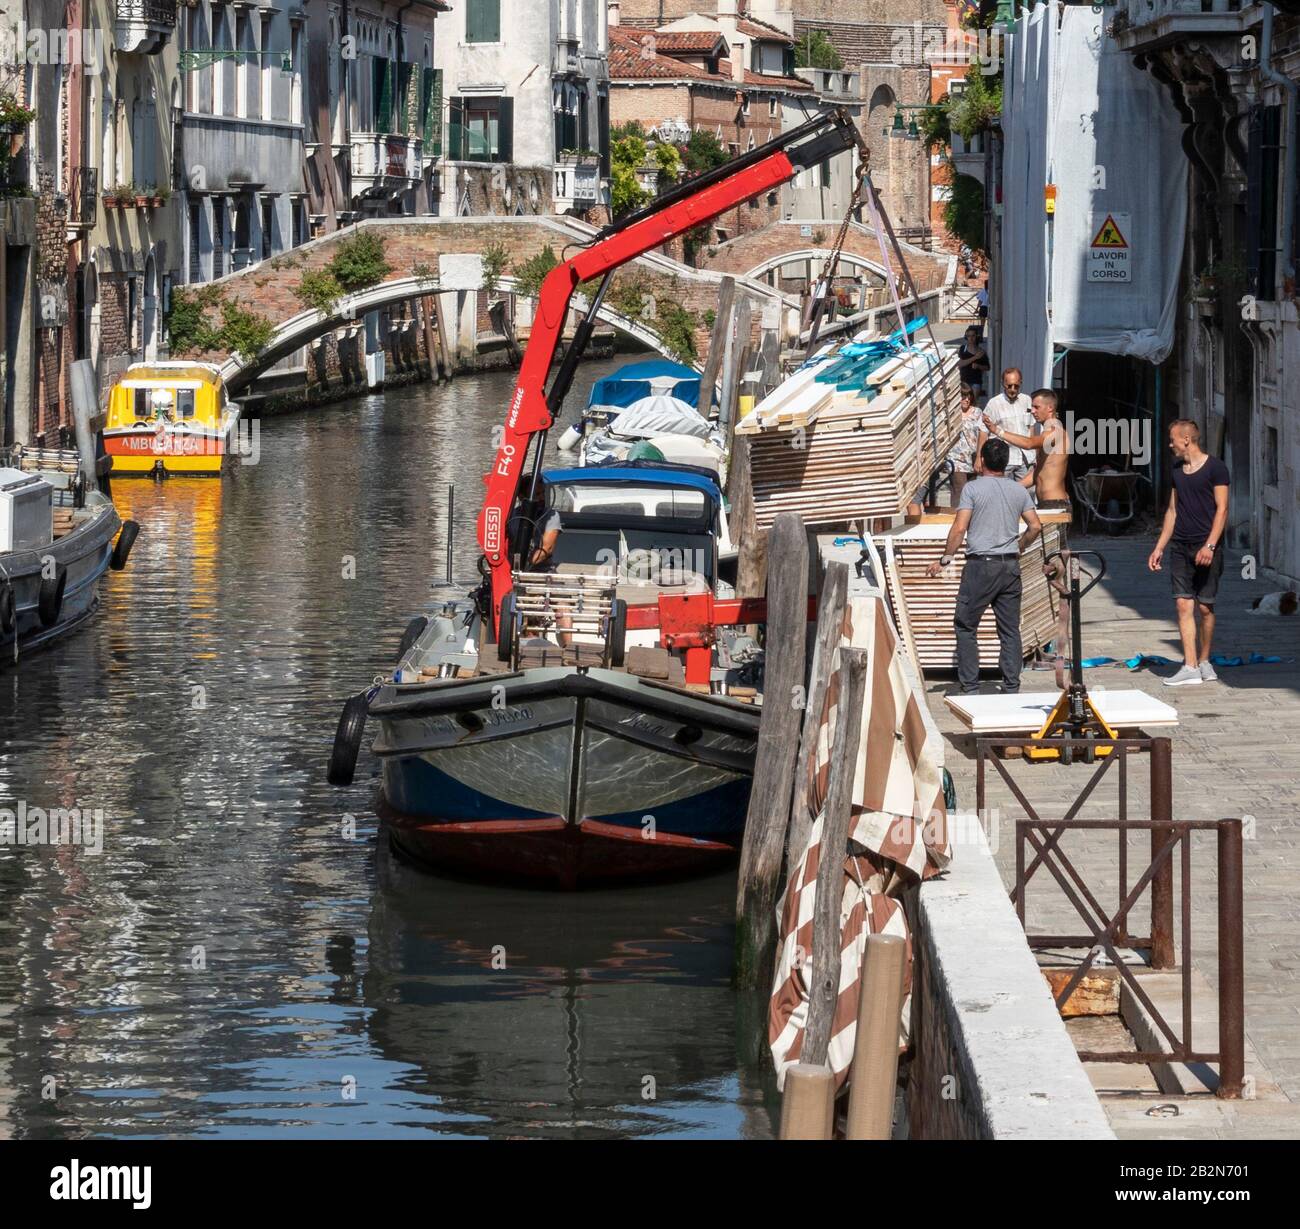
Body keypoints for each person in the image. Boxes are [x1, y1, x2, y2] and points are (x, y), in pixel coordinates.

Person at [927, 437, 1043, 695]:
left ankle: (970, 687)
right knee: (1010, 629)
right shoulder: (1018, 491)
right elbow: (1035, 526)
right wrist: (1021, 545)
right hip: (1010, 566)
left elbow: (959, 528)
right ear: (1005, 463)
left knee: (966, 626)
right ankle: (1012, 686)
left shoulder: (972, 489)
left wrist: (945, 559)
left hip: (981, 567)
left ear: (982, 461)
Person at [1147, 419, 1230, 686]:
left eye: (1172, 439)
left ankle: (1204, 661)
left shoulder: (1216, 468)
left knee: (1205, 607)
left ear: (1186, 440)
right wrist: (1159, 546)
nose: (1170, 444)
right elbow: (1172, 511)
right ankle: (1190, 665)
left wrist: (1210, 545)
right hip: (1181, 545)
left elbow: (1223, 509)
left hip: (1206, 546)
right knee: (1183, 603)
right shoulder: (1176, 471)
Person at [983, 386, 1070, 507]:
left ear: (1050, 408)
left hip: (1056, 504)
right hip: (1045, 504)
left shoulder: (1056, 431)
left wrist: (998, 431)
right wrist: (1010, 489)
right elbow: (1038, 474)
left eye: (1037, 407)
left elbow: (1029, 444)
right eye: (1032, 407)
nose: (1033, 411)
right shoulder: (1046, 432)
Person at [978, 368, 1035, 487]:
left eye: (1016, 386)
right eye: (1009, 386)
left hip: (1025, 458)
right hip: (1004, 459)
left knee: (1027, 495)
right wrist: (979, 457)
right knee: (1001, 493)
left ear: (1021, 383)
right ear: (1003, 384)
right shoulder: (994, 403)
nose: (1013, 389)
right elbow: (983, 431)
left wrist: (1035, 455)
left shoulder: (1027, 400)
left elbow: (1031, 428)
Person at [528, 506, 573, 648]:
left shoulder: (551, 515)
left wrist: (527, 565)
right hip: (514, 570)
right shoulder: (513, 515)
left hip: (545, 571)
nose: (540, 498)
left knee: (563, 607)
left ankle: (567, 648)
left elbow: (546, 548)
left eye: (542, 493)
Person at [946, 383, 983, 504]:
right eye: (963, 396)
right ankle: (957, 518)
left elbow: (982, 434)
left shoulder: (977, 412)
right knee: (960, 490)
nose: (967, 399)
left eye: (969, 396)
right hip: (955, 459)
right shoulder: (950, 413)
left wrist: (980, 456)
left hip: (973, 458)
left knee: (973, 492)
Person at [956, 326, 989, 397]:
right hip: (964, 381)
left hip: (976, 382)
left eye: (973, 336)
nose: (971, 338)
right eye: (969, 336)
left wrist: (978, 366)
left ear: (976, 337)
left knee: (974, 403)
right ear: (966, 337)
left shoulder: (981, 351)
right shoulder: (963, 349)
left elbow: (987, 367)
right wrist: (975, 357)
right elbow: (960, 364)